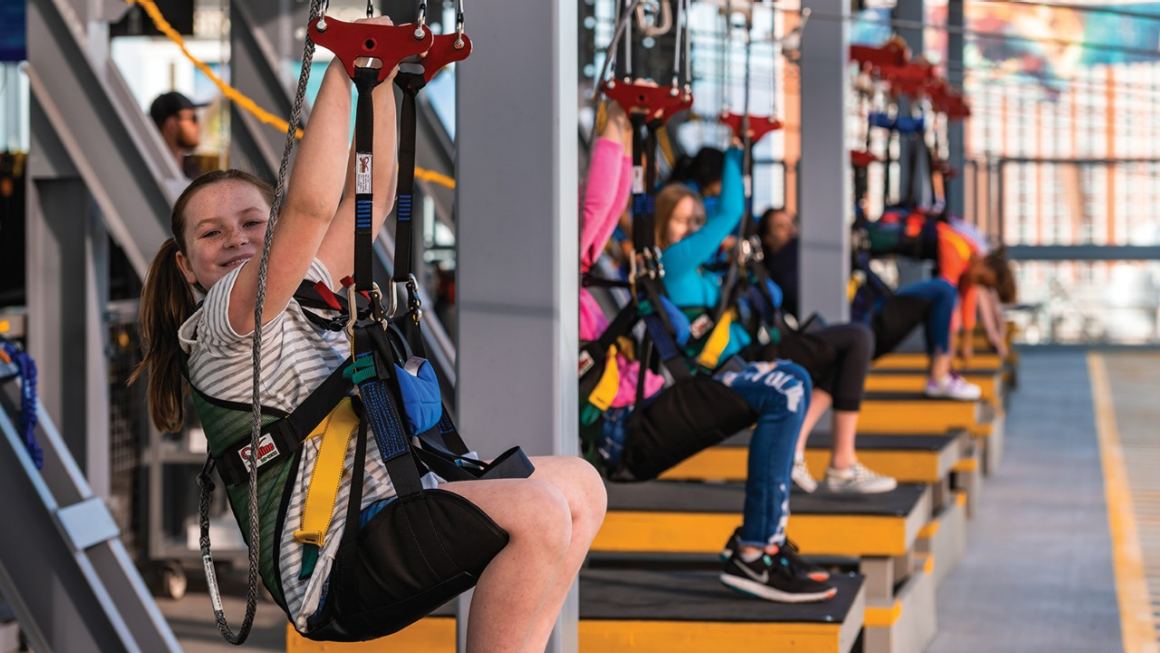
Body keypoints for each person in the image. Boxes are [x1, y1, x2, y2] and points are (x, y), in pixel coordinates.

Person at [133, 28, 606, 650]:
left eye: (251, 222)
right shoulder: (224, 320)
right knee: (539, 511)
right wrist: (344, 61)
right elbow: (305, 209)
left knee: (578, 486)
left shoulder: (303, 288)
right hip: (336, 562)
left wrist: (377, 79)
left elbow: (374, 196)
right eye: (212, 234)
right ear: (187, 266)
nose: (238, 240)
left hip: (381, 517)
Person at [581, 104, 835, 603]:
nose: (693, 228)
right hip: (624, 429)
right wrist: (618, 125)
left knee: (793, 377)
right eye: (684, 220)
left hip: (651, 402)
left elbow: (606, 208)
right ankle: (756, 552)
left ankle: (764, 545)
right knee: (784, 387)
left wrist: (622, 125)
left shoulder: (623, 275)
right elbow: (598, 210)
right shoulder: (634, 270)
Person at [658, 156, 895, 495]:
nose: (694, 230)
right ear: (663, 224)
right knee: (856, 338)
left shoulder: (706, 272)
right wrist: (735, 153)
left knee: (843, 351)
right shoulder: (672, 264)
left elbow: (771, 294)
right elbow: (729, 215)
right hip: (736, 364)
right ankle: (840, 462)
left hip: (752, 350)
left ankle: (802, 452)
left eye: (698, 220)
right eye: (682, 221)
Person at [149, 91, 204, 178]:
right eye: (193, 119)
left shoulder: (193, 171)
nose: (199, 126)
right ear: (171, 125)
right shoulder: (148, 171)